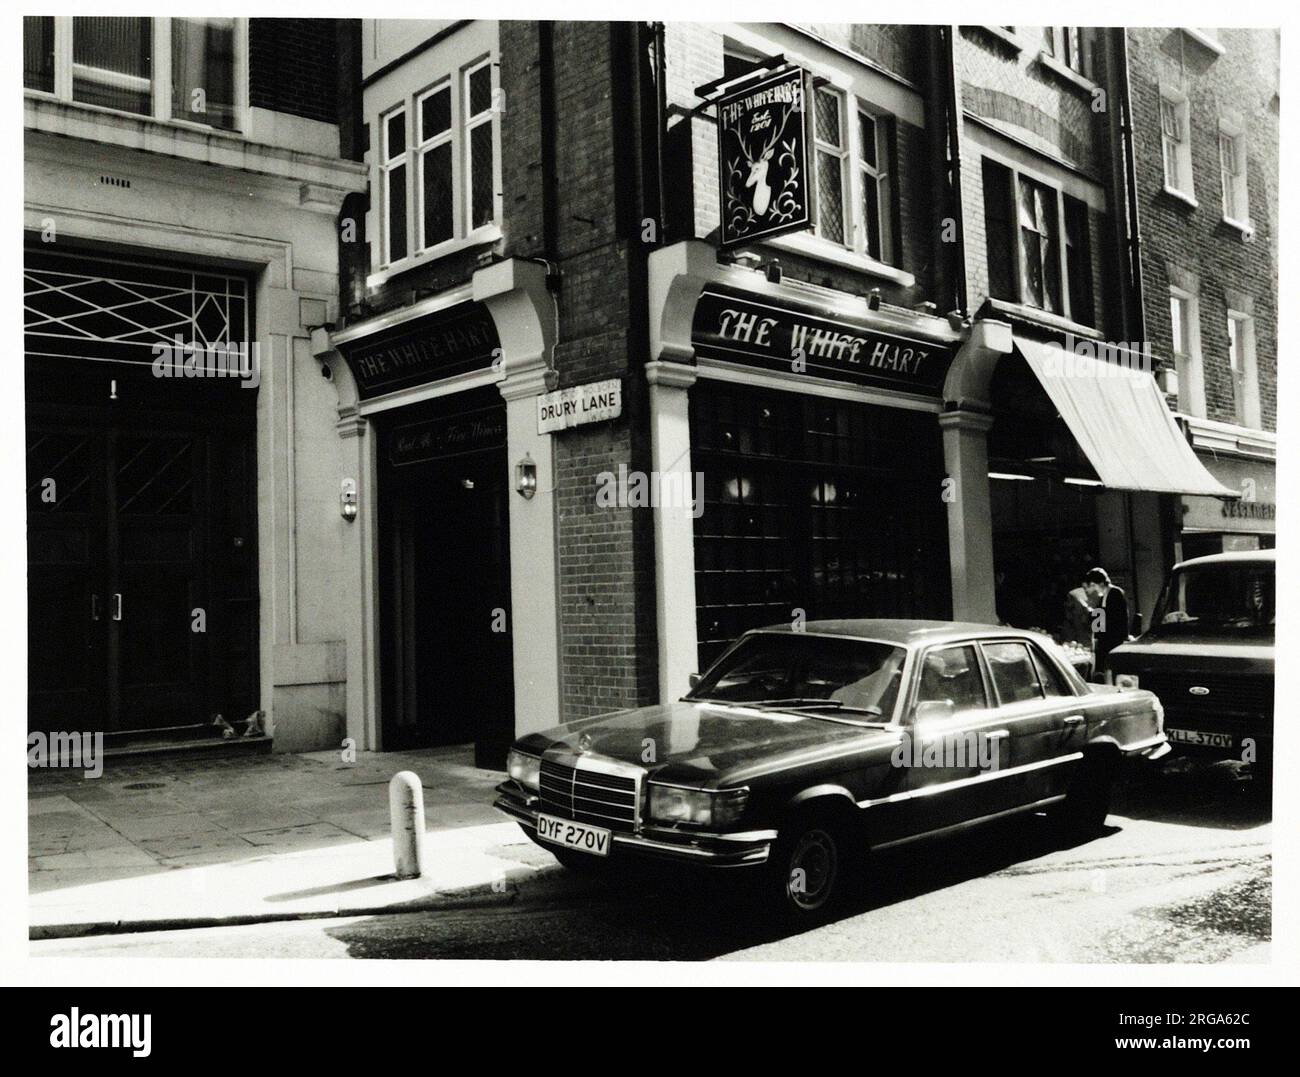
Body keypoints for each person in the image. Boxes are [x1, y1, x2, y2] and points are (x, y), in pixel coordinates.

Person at [1082, 567, 1131, 678]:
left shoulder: (1115, 593)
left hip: (1113, 641)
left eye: (1093, 585)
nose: (1093, 589)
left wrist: (1091, 613)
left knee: (1109, 671)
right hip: (1106, 641)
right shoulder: (1104, 596)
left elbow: (1109, 620)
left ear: (1099, 583)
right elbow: (1098, 623)